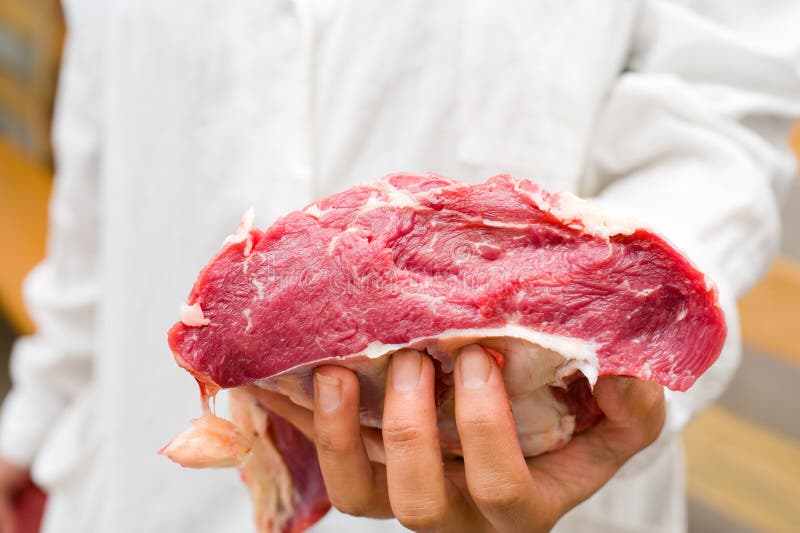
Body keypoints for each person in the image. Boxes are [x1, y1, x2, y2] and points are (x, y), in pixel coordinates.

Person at [0, 1, 798, 532]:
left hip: (534, 465)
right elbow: (104, 167)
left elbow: (721, 106)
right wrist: (31, 428)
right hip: (142, 481)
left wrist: (614, 357)